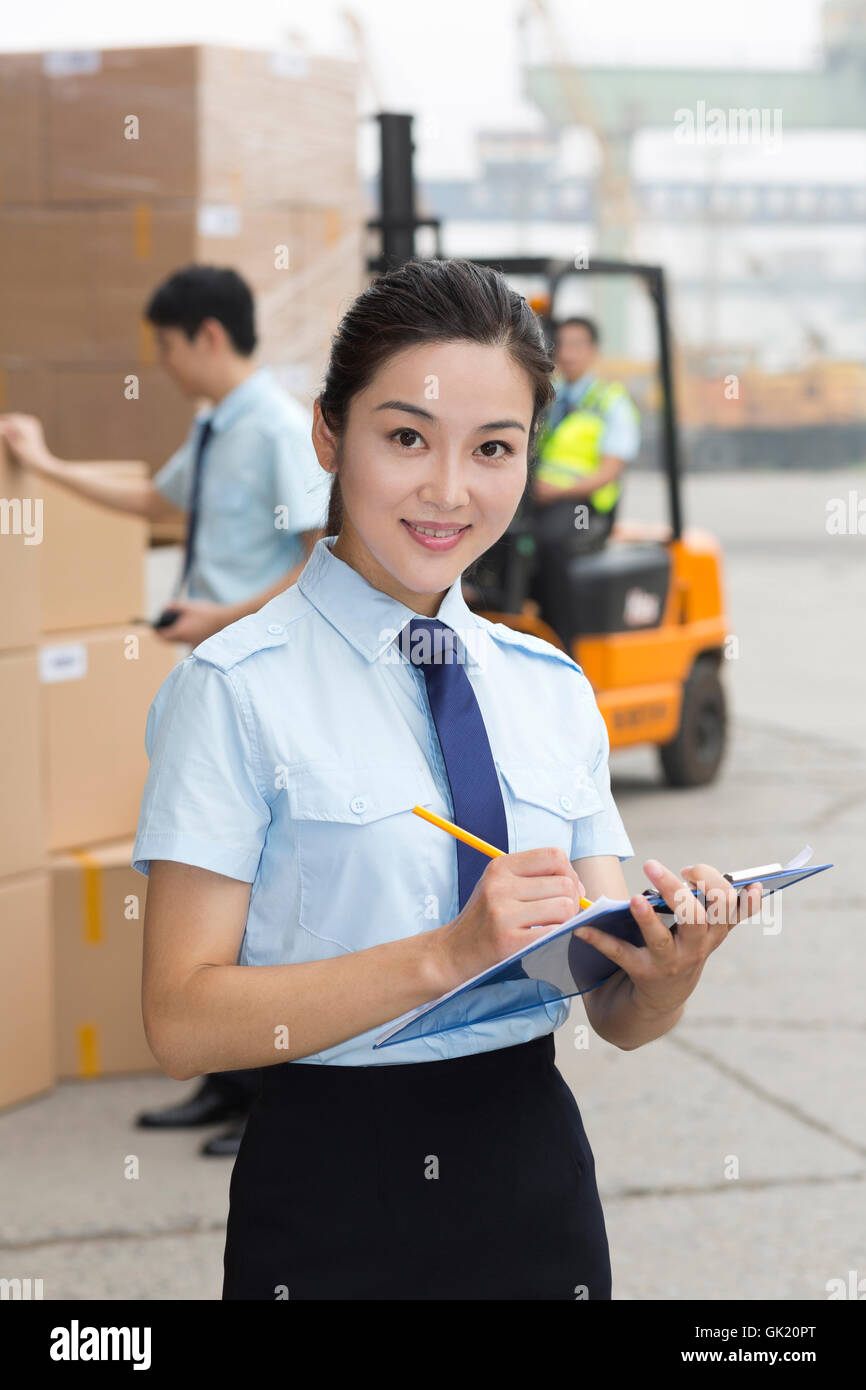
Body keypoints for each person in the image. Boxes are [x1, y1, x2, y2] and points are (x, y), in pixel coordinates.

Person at [130, 258, 763, 1300]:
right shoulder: (236, 688)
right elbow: (180, 1021)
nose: (448, 490)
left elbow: (612, 1010)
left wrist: (669, 967)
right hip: (334, 1192)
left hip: (533, 1176)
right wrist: (448, 953)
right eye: (406, 437)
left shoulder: (548, 687)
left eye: (493, 449)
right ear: (329, 435)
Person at [0, 264, 328, 1156]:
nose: (165, 363)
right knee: (213, 873)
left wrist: (216, 617)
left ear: (206, 337)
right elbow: (157, 500)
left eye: (167, 347)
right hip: (215, 674)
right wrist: (46, 464)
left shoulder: (276, 427)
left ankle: (268, 1089)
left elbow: (319, 556)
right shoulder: (217, 424)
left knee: (260, 886)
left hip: (262, 676)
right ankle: (226, 1083)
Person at [529, 314, 640, 559]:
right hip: (541, 496)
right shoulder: (549, 397)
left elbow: (610, 472)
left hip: (584, 504)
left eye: (576, 345)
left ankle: (554, 598)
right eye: (561, 345)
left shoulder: (612, 402)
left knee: (547, 539)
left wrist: (558, 492)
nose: (567, 354)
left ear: (593, 351)